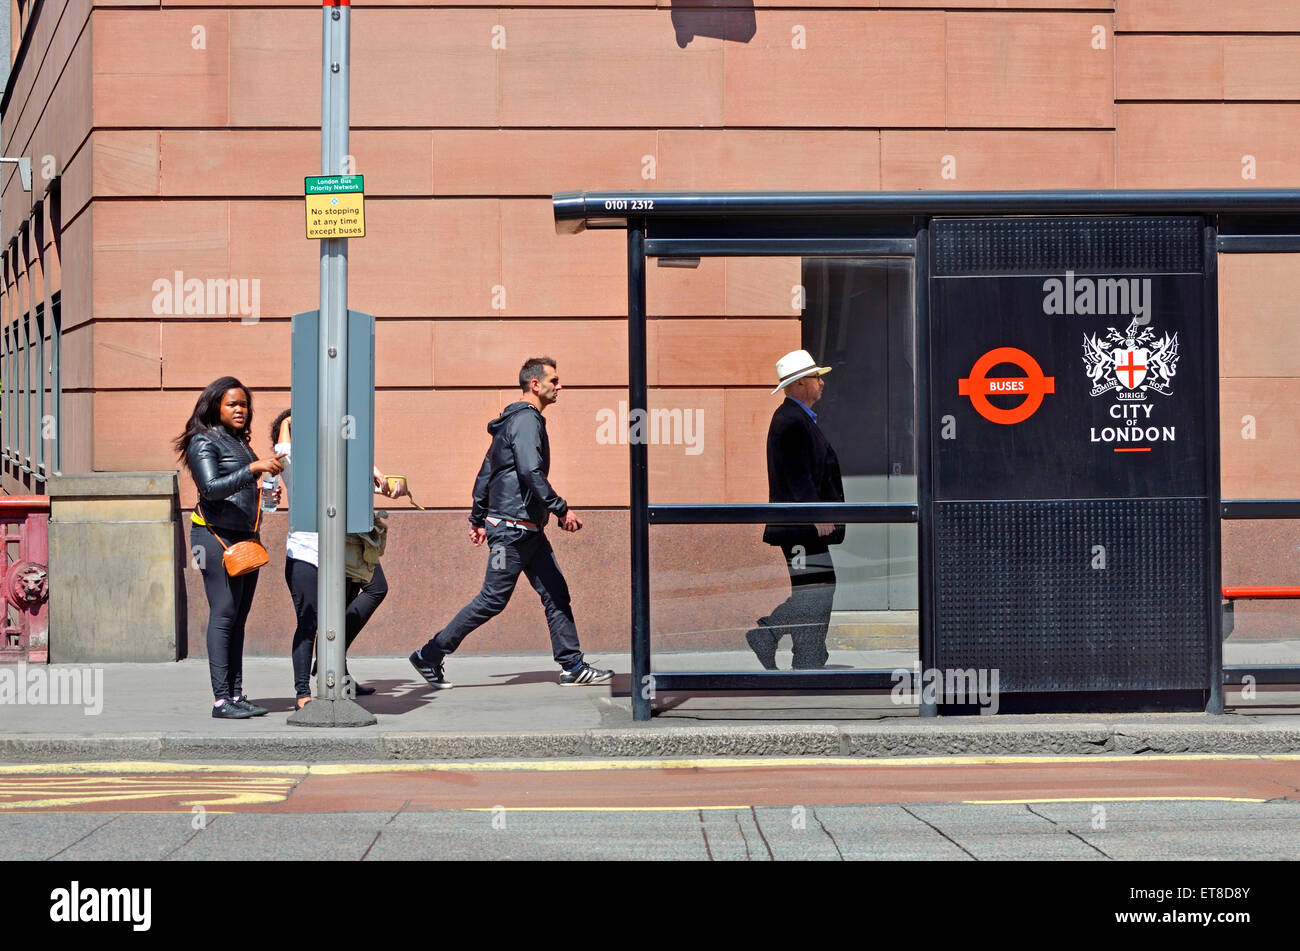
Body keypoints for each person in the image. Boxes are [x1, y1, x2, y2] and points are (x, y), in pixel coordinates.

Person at [409, 357, 613, 688]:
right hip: (512, 531)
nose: (560, 386)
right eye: (555, 380)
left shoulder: (513, 422)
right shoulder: (527, 420)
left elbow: (487, 471)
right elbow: (529, 470)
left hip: (528, 531)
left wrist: (477, 517)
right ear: (536, 384)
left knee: (556, 593)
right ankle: (429, 654)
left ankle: (572, 666)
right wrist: (560, 508)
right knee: (492, 599)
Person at [269, 410, 407, 709]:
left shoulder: (332, 465)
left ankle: (335, 663)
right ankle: (303, 692)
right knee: (309, 622)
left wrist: (390, 484)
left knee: (371, 592)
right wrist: (288, 422)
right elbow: (283, 450)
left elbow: (371, 483)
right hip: (306, 553)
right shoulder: (292, 466)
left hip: (342, 552)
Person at [174, 376, 285, 719]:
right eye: (232, 404)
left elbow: (242, 487)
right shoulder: (203, 441)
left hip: (244, 539)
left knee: (238, 619)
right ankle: (221, 700)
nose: (240, 410)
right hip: (214, 538)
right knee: (223, 615)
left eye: (244, 404)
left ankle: (236, 694)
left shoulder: (238, 442)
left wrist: (267, 497)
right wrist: (253, 468)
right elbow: (210, 488)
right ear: (215, 406)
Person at [744, 349, 845, 671]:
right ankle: (769, 634)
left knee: (816, 589)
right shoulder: (790, 420)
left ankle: (809, 656)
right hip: (801, 528)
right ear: (800, 383)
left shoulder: (799, 419)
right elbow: (797, 474)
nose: (822, 383)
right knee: (816, 590)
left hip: (805, 526)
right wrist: (815, 515)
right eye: (817, 377)